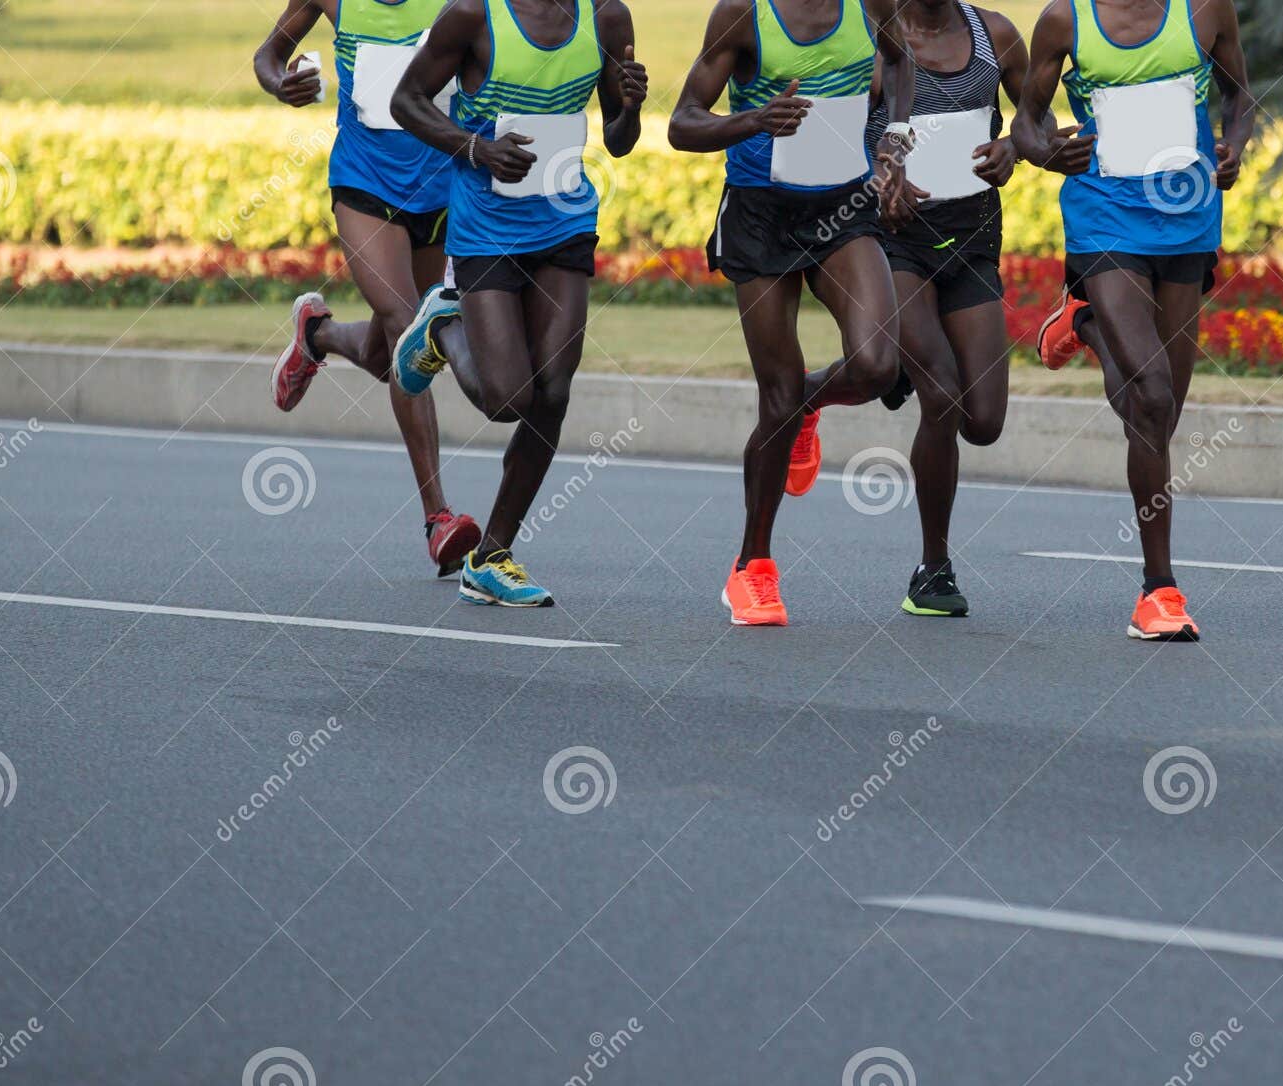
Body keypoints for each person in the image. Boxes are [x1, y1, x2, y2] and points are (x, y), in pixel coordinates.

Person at [385, 0, 647, 607]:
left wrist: (629, 106)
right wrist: (475, 150)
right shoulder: (473, 16)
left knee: (552, 392)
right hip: (487, 227)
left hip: (565, 221)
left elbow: (619, 139)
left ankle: (494, 554)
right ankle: (443, 330)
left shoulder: (607, 17)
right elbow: (407, 101)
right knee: (508, 400)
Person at [669, 0, 918, 627]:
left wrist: (893, 140)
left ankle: (813, 400)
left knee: (878, 365)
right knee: (774, 398)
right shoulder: (744, 15)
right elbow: (682, 124)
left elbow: (900, 58)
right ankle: (753, 566)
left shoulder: (872, 6)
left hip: (844, 210)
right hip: (761, 216)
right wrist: (753, 120)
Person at [1013, 0, 1253, 640]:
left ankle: (1082, 320)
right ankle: (1159, 591)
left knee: (1161, 412)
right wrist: (1045, 155)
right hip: (1105, 215)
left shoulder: (1206, 12)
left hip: (1187, 214)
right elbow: (1026, 125)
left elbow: (1242, 98)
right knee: (1149, 398)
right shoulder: (1066, 20)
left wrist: (1235, 148)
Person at [256, 0, 481, 576]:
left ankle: (320, 335)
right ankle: (438, 519)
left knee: (400, 355)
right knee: (412, 331)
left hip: (442, 190)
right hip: (365, 186)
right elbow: (268, 54)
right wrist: (282, 82)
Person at [866, 0, 1037, 617]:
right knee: (942, 395)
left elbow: (1034, 119)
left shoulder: (994, 35)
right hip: (895, 241)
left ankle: (899, 366)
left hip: (971, 242)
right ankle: (932, 570)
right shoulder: (873, 39)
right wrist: (879, 174)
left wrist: (1013, 146)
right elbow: (838, 143)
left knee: (983, 421)